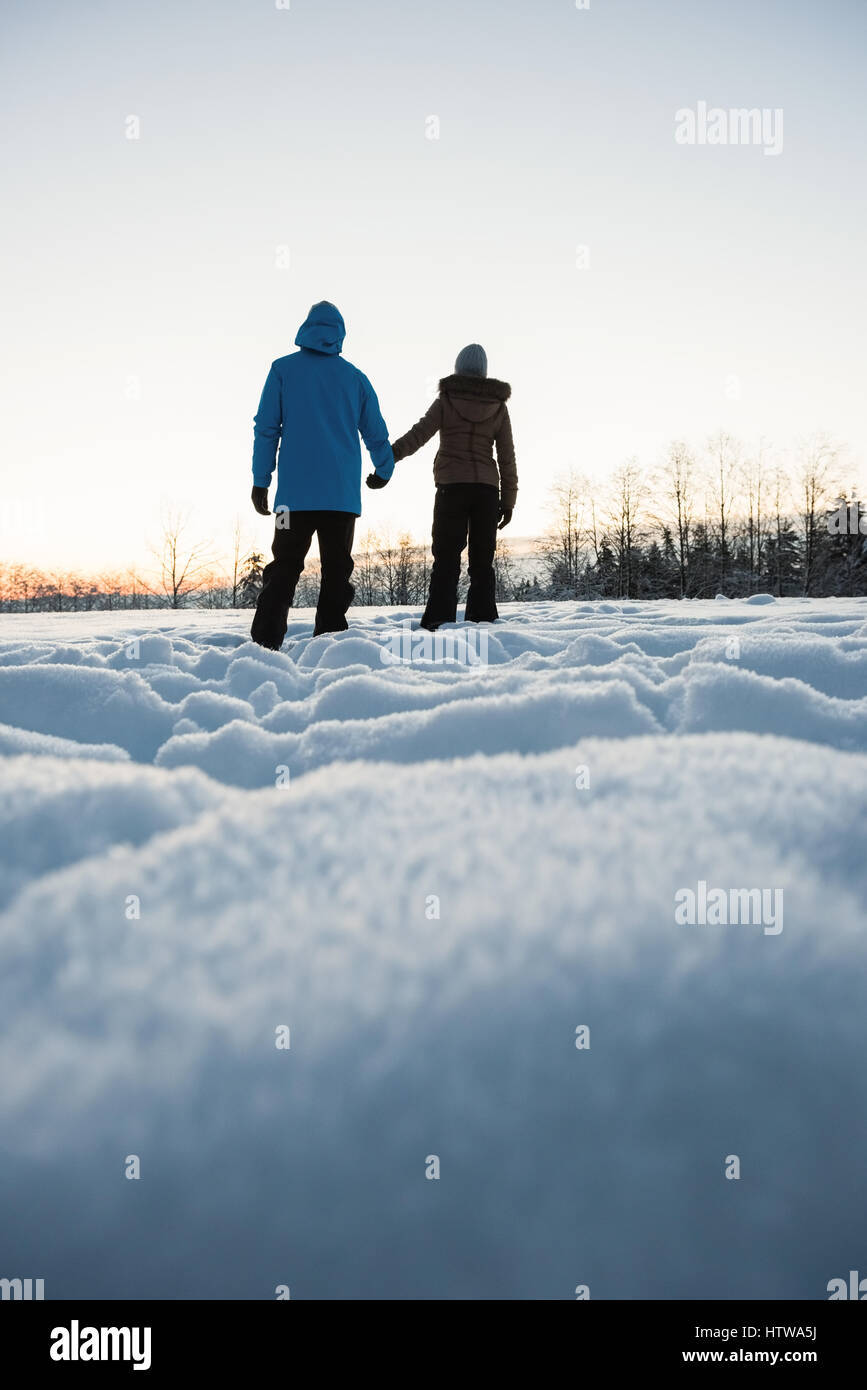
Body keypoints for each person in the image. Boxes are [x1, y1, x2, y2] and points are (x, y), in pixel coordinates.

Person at [249, 301, 393, 647]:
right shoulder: (355, 378)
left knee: (283, 566)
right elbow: (375, 432)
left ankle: (265, 644)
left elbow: (266, 428)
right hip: (340, 501)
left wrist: (260, 480)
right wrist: (383, 469)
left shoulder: (282, 370)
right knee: (336, 572)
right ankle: (329, 644)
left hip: (290, 502)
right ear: (340, 335)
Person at [374, 344, 516, 630]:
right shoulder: (498, 407)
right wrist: (509, 500)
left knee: (446, 559)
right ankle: (483, 620)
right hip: (487, 491)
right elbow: (507, 456)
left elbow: (419, 434)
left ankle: (438, 620)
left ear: (458, 369)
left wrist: (386, 459)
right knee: (482, 562)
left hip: (452, 488)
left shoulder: (446, 401)